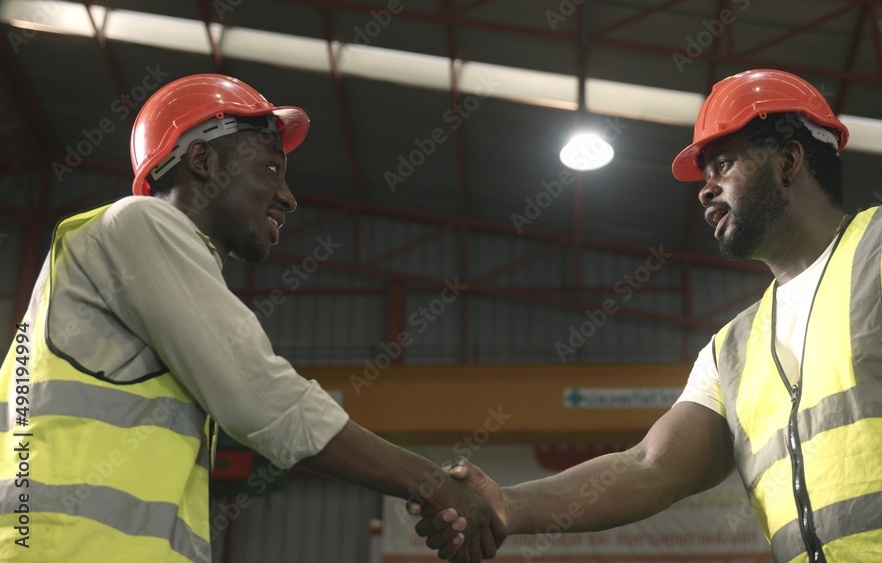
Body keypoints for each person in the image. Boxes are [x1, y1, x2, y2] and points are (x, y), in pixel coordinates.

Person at [417, 69, 882, 562]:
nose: (704, 190)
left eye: (722, 165)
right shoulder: (732, 348)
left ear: (789, 161)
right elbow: (649, 466)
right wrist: (507, 506)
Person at [0, 74, 504, 562]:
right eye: (270, 167)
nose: (288, 196)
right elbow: (263, 400)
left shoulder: (137, 273)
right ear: (202, 159)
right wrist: (431, 483)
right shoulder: (137, 222)